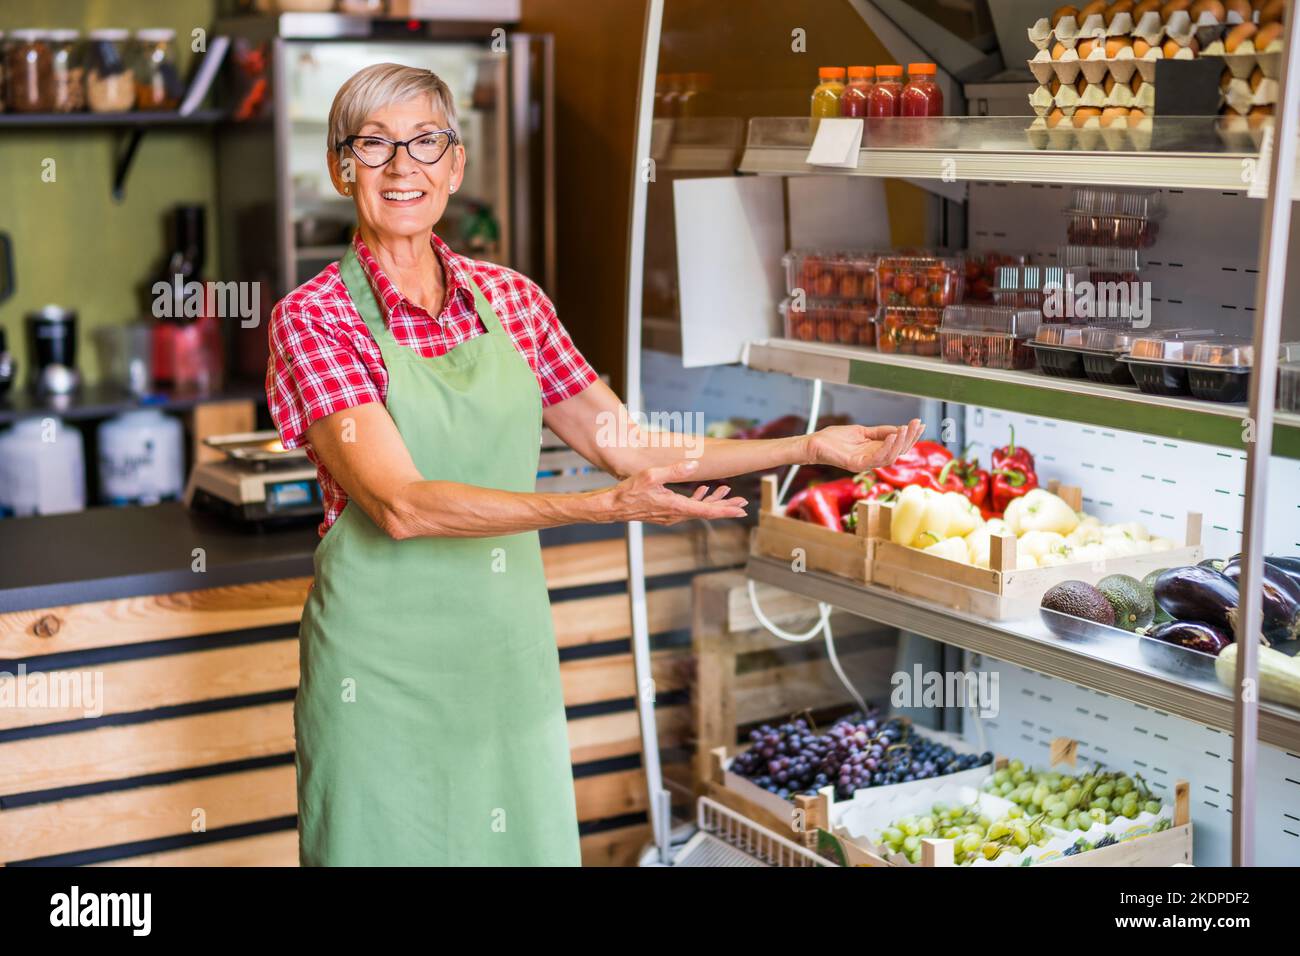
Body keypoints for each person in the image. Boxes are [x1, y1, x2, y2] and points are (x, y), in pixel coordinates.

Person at [267, 63, 924, 866]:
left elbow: (628, 444)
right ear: (343, 168)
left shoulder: (513, 301)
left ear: (456, 164)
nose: (402, 166)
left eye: (424, 142)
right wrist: (595, 509)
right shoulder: (316, 318)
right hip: (379, 678)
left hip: (506, 659)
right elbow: (404, 507)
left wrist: (805, 448)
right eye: (374, 146)